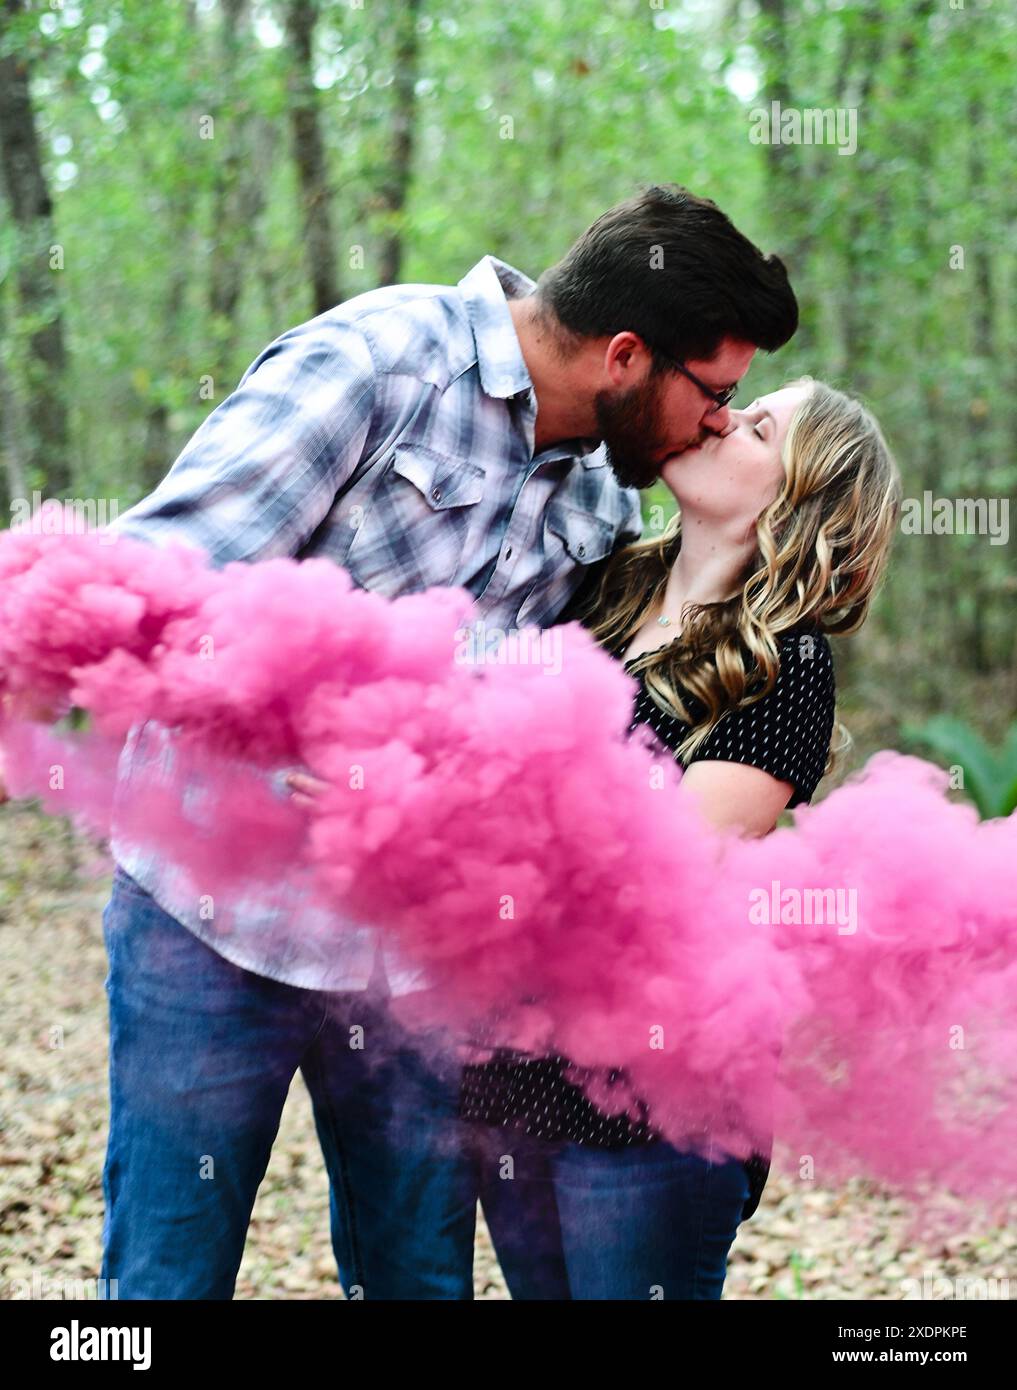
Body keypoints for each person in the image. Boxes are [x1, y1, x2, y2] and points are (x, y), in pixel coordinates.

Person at [88, 182, 799, 1298]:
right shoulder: (375, 364)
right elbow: (157, 584)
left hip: (415, 974)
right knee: (166, 1280)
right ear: (626, 355)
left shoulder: (606, 505)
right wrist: (308, 735)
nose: (718, 420)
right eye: (713, 393)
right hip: (214, 925)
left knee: (420, 1280)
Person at [459, 377, 902, 1299]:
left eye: (758, 426)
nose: (720, 416)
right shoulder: (601, 586)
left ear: (797, 497)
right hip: (512, 1066)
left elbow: (653, 870)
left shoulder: (785, 662)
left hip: (653, 1099)